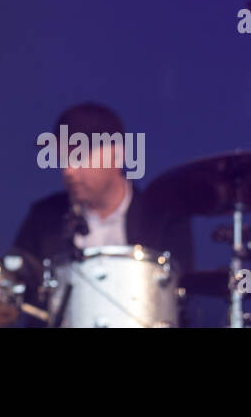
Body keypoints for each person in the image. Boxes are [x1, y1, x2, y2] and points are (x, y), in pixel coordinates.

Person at [12, 102, 193, 319]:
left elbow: (177, 296)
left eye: (78, 158)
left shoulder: (164, 218)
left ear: (117, 155)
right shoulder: (44, 217)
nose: (68, 171)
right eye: (63, 159)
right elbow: (19, 286)